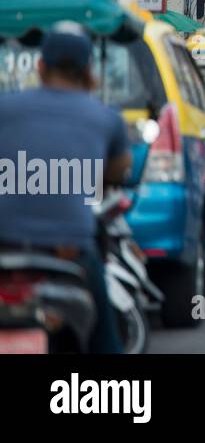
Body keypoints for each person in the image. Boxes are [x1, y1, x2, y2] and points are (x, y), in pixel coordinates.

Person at [0, 22, 134, 354]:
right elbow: (119, 171)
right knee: (106, 344)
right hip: (69, 251)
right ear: (89, 70)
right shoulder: (106, 117)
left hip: (5, 246)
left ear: (41, 66)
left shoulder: (6, 107)